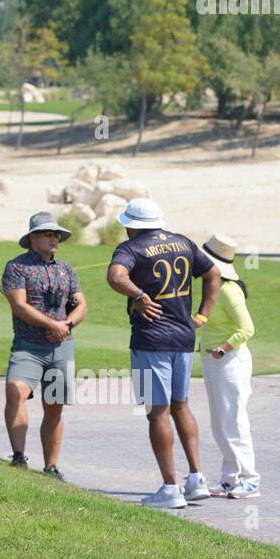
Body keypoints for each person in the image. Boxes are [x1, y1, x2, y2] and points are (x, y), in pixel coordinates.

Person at [106, 198, 221, 509]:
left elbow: (116, 277)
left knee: (157, 411)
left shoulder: (131, 248)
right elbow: (213, 275)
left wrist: (139, 295)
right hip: (184, 336)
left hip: (150, 339)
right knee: (181, 406)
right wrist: (202, 315)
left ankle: (170, 488)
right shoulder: (183, 242)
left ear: (131, 224)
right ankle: (197, 479)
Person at [1, 212, 86, 480]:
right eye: (48, 234)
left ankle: (51, 467)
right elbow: (19, 305)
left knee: (54, 406)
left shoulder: (67, 269)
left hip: (62, 345)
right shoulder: (16, 267)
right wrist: (52, 325)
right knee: (15, 390)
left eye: (56, 234)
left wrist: (66, 326)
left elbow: (81, 304)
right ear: (33, 238)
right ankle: (18, 456)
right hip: (28, 345)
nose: (54, 238)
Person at [199, 234, 260, 499]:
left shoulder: (228, 290)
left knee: (234, 421)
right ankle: (229, 478)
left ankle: (250, 480)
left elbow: (247, 328)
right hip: (213, 362)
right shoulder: (211, 287)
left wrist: (223, 348)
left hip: (229, 362)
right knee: (219, 423)